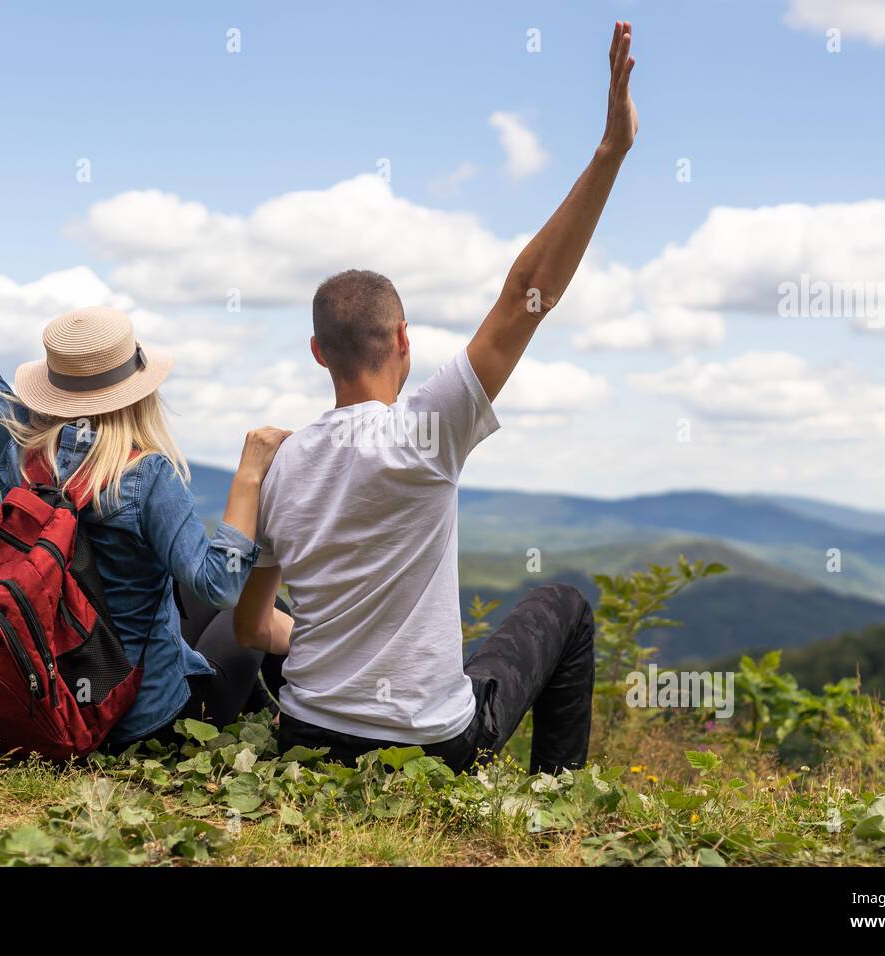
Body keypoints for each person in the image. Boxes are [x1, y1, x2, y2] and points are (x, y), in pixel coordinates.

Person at [232, 21, 639, 773]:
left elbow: (254, 628)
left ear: (319, 354)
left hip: (307, 739)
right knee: (566, 608)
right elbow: (526, 295)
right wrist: (610, 152)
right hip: (428, 747)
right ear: (405, 342)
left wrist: (323, 650)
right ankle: (553, 797)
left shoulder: (283, 467)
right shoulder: (425, 432)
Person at [0, 204, 292, 749]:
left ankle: (258, 716)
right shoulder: (148, 474)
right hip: (145, 721)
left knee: (198, 609)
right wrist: (249, 476)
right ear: (139, 387)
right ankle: (284, 724)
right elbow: (218, 584)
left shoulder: (19, 442)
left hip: (58, 697)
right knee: (256, 618)